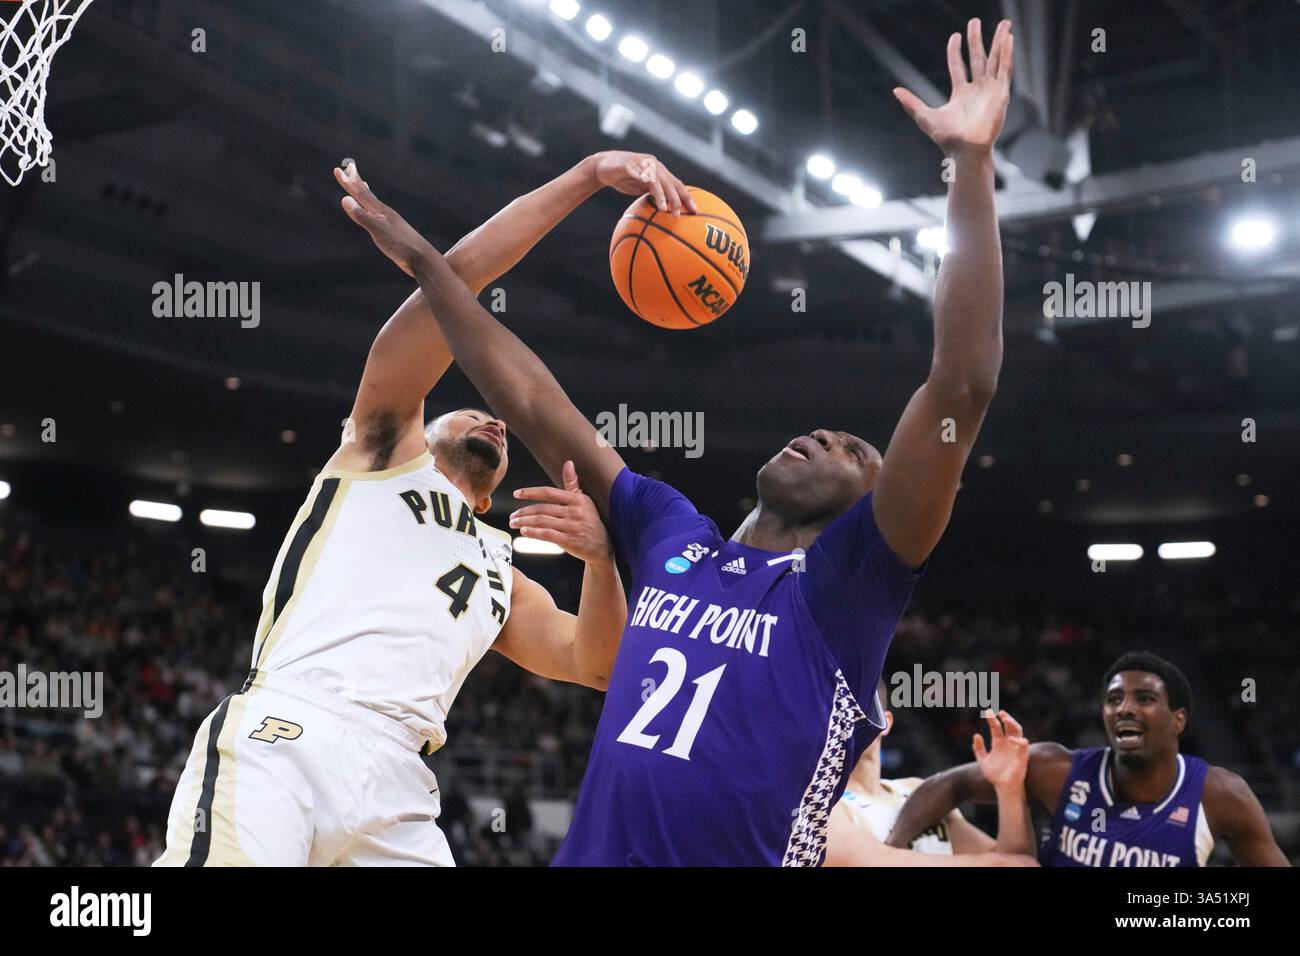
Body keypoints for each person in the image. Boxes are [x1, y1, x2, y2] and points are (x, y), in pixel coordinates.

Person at [336, 18, 1014, 866]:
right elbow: (536, 398)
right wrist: (430, 267)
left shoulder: (849, 585)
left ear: (870, 503)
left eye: (847, 448)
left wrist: (971, 163)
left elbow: (961, 381)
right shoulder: (669, 533)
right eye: (821, 430)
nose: (819, 434)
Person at [155, 148, 698, 866]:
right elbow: (457, 287)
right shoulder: (379, 455)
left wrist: (601, 561)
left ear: (494, 489)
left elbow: (595, 665)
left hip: (401, 785)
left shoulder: (503, 567)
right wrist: (588, 176)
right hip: (290, 731)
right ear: (425, 427)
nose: (496, 423)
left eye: (500, 430)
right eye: (472, 412)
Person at [886, 651, 1290, 866]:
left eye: (1144, 699)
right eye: (1114, 699)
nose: (1124, 708)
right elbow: (947, 783)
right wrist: (889, 852)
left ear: (1178, 720)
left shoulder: (1219, 795)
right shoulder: (1056, 771)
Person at [825, 701, 1036, 865]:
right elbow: (870, 862)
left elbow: (1011, 858)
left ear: (886, 722)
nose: (848, 716)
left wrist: (1010, 788)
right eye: (839, 707)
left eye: (859, 706)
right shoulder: (823, 805)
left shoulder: (916, 790)